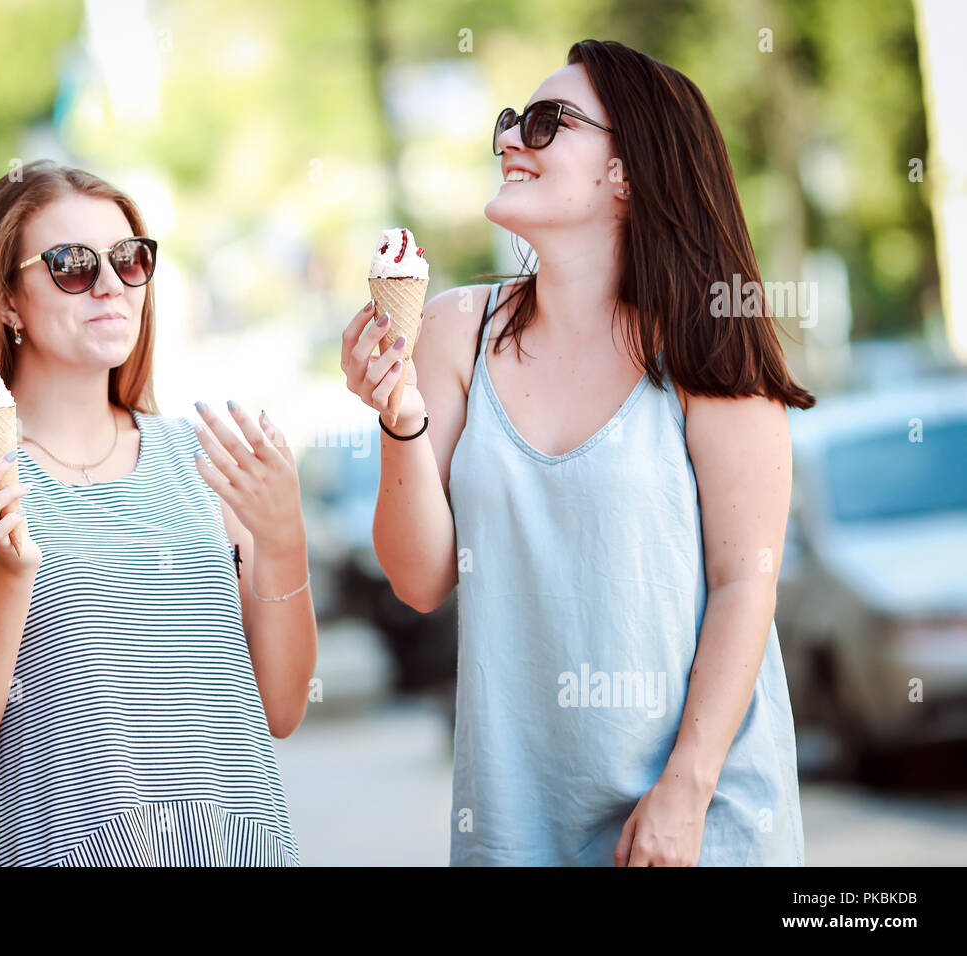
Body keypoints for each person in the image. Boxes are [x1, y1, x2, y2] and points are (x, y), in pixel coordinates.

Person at [341, 39, 814, 866]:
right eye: (508, 123)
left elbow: (748, 580)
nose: (509, 141)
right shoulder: (455, 331)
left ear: (626, 173)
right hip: (518, 821)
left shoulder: (707, 340)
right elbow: (419, 580)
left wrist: (686, 790)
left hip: (697, 819)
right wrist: (399, 416)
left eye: (545, 123)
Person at [0, 160, 313, 866]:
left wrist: (283, 538)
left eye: (130, 259)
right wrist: (12, 573)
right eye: (72, 266)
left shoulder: (206, 460)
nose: (113, 284)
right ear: (5, 301)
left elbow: (283, 708)